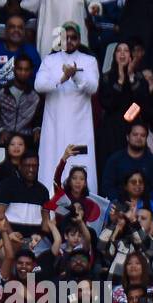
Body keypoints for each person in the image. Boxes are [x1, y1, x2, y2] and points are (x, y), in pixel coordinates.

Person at [35, 23, 98, 192]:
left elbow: (93, 87)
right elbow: (39, 85)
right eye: (65, 37)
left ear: (79, 39)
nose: (69, 41)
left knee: (81, 165)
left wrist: (75, 75)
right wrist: (62, 78)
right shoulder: (49, 60)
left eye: (73, 37)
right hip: (54, 126)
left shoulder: (89, 60)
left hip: (79, 127)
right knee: (52, 163)